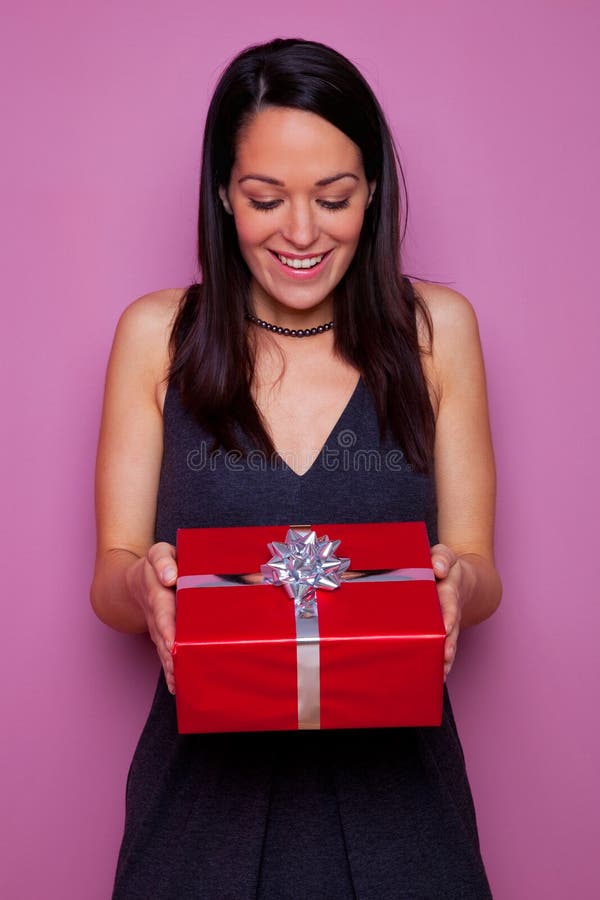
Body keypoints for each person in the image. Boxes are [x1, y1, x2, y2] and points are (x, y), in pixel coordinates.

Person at [91, 37, 502, 899]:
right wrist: (146, 589)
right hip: (201, 809)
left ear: (374, 193)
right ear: (222, 196)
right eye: (266, 198)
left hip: (403, 807)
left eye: (335, 197)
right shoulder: (155, 337)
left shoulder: (439, 331)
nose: (303, 233)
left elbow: (480, 567)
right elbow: (112, 573)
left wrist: (456, 583)